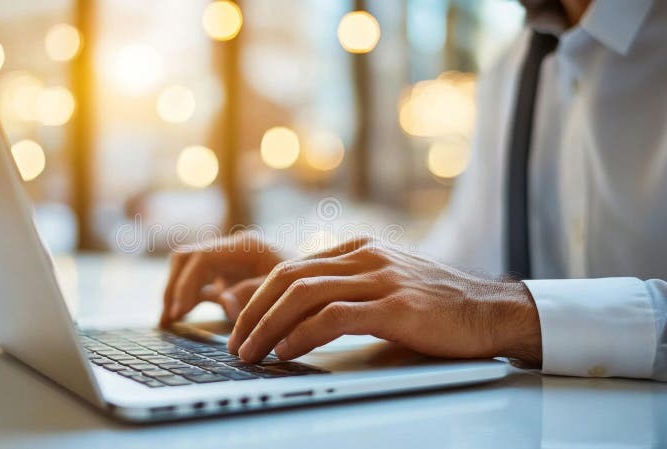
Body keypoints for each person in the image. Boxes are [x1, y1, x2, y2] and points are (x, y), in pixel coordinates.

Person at [159, 0, 667, 381]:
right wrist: (317, 284)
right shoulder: (514, 68)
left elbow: (477, 302)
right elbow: (458, 275)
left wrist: (503, 314)